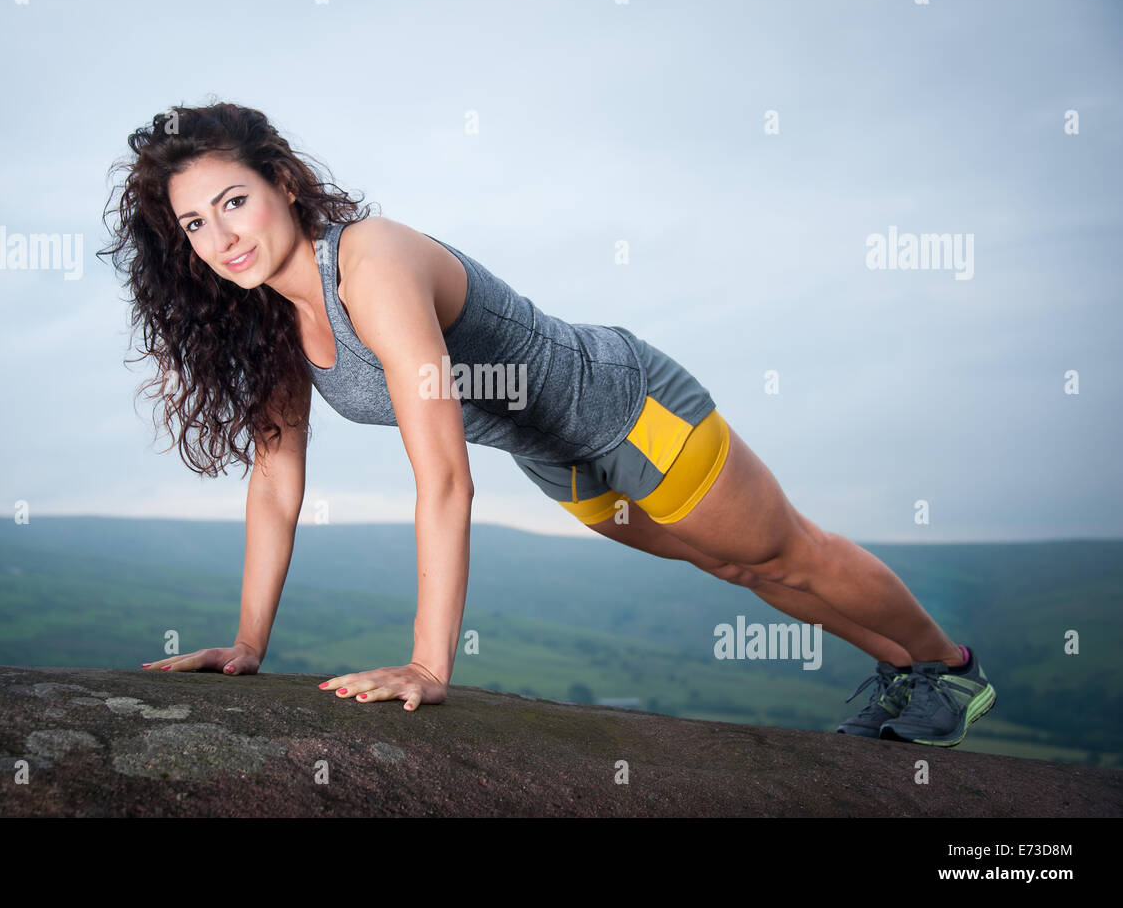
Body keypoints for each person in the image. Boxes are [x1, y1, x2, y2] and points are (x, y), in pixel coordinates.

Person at [107, 102, 995, 746]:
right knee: (735, 564)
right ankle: (902, 673)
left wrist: (427, 666)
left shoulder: (369, 263)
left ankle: (949, 669)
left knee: (786, 550)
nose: (219, 235)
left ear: (285, 184)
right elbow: (274, 480)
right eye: (193, 222)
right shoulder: (271, 327)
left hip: (628, 412)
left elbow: (445, 473)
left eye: (232, 200)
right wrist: (249, 645)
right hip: (562, 465)